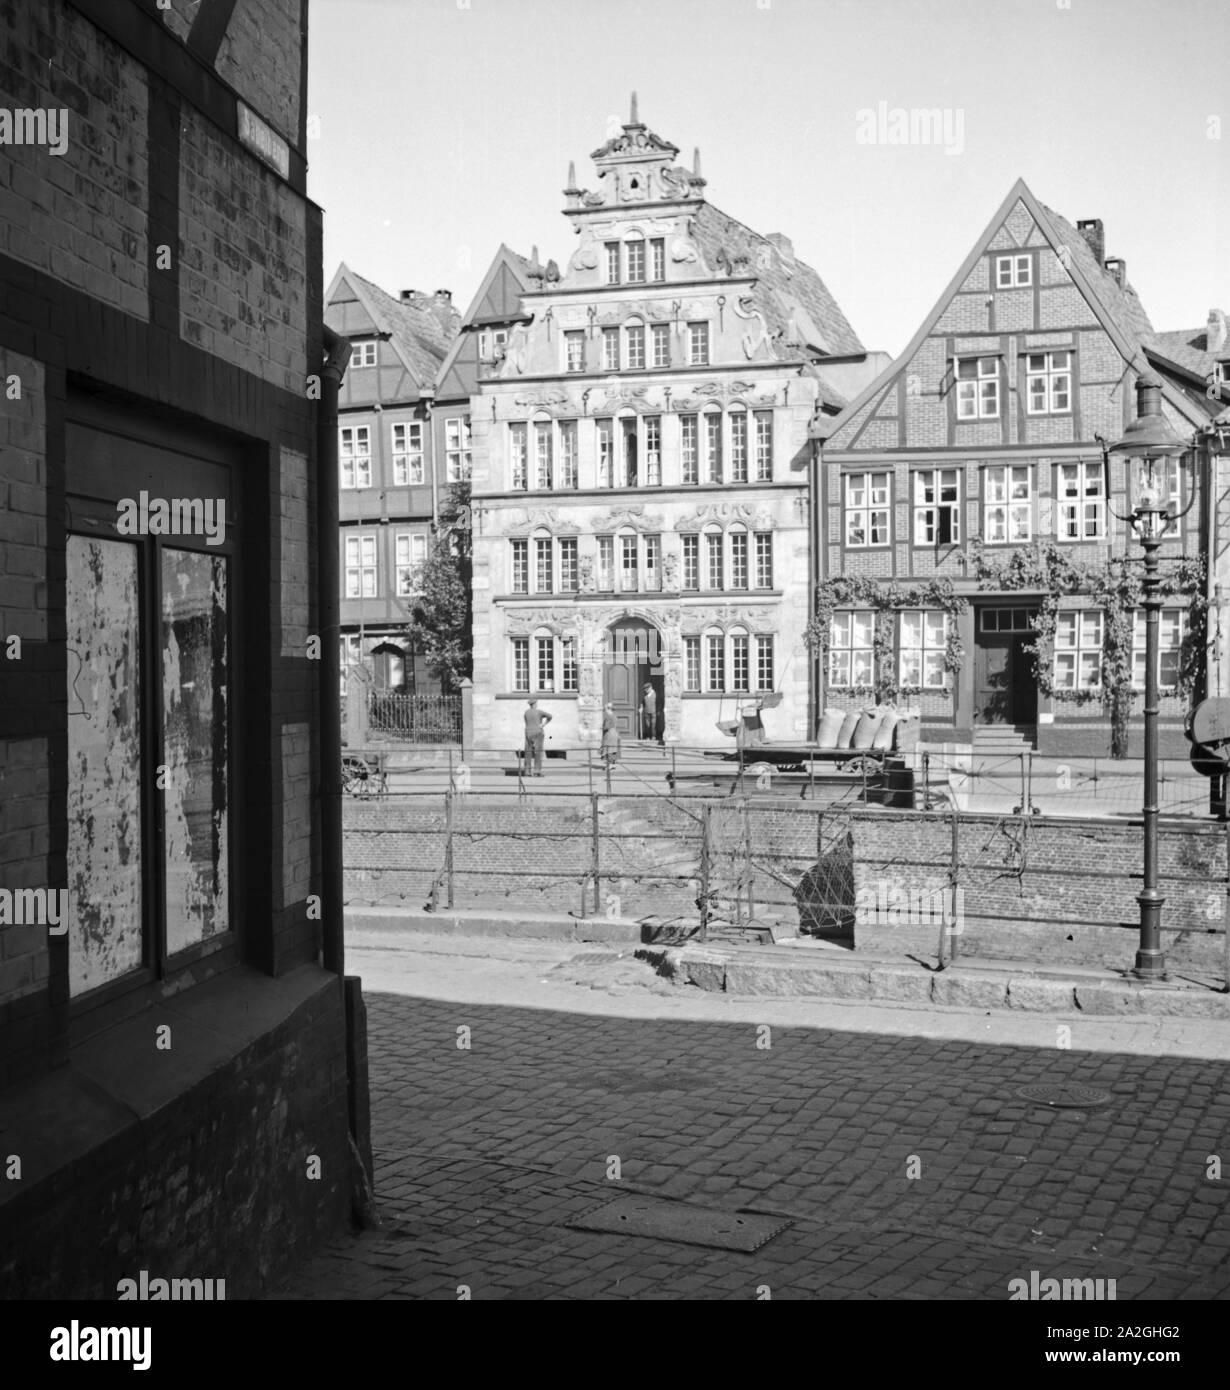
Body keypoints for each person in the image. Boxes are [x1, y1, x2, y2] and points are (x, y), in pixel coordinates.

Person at [523, 699, 552, 777]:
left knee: (528, 752)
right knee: (538, 752)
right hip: (537, 732)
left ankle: (527, 771)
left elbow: (526, 722)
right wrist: (543, 724)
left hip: (528, 732)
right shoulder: (539, 712)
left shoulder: (526, 712)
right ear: (535, 704)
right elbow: (550, 716)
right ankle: (537, 771)